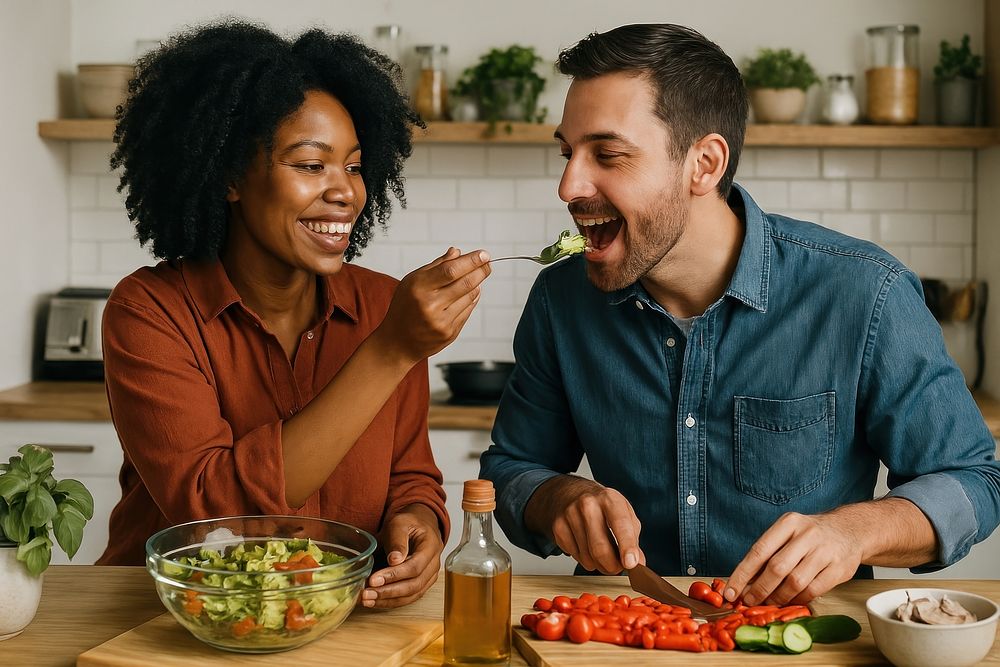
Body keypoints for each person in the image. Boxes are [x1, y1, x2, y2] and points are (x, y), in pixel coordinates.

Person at [480, 23, 1000, 606]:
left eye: (608, 155)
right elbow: (512, 466)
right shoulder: (560, 301)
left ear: (704, 164)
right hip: (622, 636)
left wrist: (855, 533)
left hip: (802, 642)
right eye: (566, 153)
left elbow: (973, 483)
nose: (568, 185)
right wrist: (558, 499)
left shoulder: (864, 292)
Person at [95, 20, 492, 610]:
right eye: (311, 165)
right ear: (230, 176)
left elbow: (408, 473)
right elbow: (217, 514)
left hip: (337, 619)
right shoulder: (149, 311)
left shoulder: (384, 305)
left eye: (354, 167)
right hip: (171, 620)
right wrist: (389, 350)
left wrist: (419, 524)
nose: (345, 193)